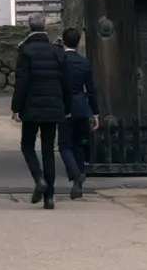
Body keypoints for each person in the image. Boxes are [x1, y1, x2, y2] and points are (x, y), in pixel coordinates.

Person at [11, 15, 69, 208]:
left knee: (27, 145)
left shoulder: (25, 51)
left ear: (29, 27)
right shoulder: (57, 51)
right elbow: (65, 83)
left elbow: (22, 82)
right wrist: (66, 107)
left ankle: (39, 179)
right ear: (45, 27)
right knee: (48, 150)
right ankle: (50, 198)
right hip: (53, 107)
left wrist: (16, 108)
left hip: (32, 108)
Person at [58, 26, 100, 199]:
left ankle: (76, 174)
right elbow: (91, 90)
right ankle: (78, 184)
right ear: (78, 42)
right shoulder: (84, 62)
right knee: (78, 145)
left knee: (64, 145)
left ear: (63, 41)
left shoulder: (60, 61)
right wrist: (95, 113)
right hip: (82, 107)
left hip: (65, 107)